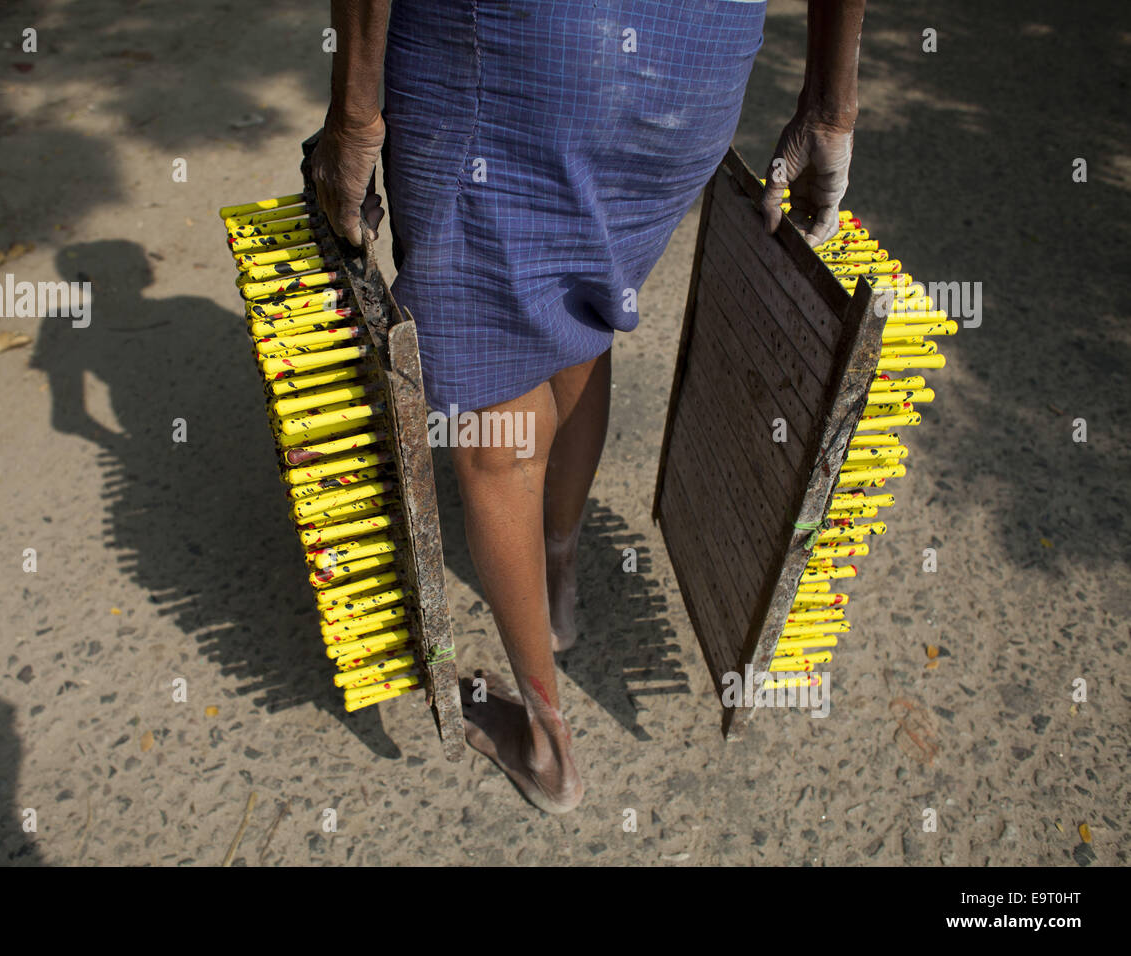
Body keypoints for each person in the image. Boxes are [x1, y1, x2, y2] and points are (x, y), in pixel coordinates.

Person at [311, 0, 865, 813]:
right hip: (693, 76)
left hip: (517, 56)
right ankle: (558, 579)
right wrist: (829, 104)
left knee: (497, 421)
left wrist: (356, 115)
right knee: (580, 318)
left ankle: (545, 748)